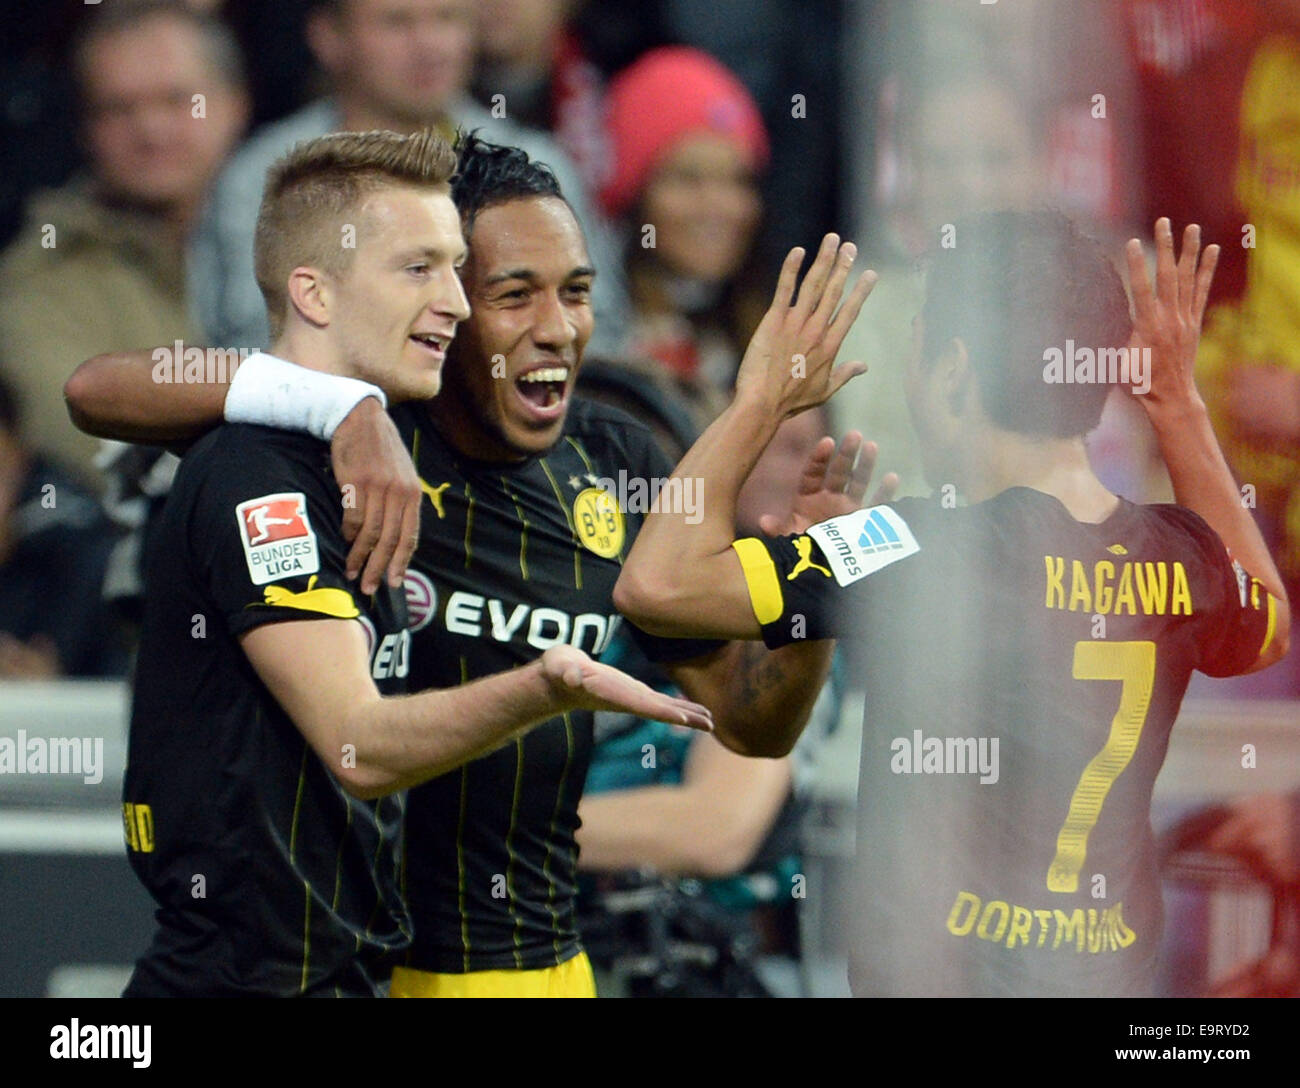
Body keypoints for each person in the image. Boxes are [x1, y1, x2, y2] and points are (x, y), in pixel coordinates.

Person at [66, 134, 856, 997]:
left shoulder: (614, 458)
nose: (557, 328)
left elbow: (753, 724)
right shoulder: (325, 447)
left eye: (579, 293)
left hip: (552, 968)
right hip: (360, 969)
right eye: (513, 294)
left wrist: (812, 593)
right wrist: (349, 410)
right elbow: (98, 388)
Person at [613, 215, 1291, 996]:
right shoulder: (1182, 555)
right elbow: (1266, 619)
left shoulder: (912, 545)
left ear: (954, 369)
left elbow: (655, 586)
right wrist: (1176, 403)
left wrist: (761, 401)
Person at [191, 0, 627, 357]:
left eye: (447, 18)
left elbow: (602, 328)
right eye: (397, 22)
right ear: (328, 37)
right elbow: (253, 343)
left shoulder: (537, 163)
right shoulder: (269, 176)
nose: (429, 45)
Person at [0, 0, 249, 478]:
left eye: (176, 100)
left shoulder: (317, 233)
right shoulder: (39, 280)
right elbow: (97, 448)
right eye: (117, 109)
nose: (150, 130)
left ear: (236, 102)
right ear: (85, 130)